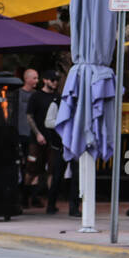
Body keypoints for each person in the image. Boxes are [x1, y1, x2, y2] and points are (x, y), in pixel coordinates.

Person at [32, 70, 78, 215]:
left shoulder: (77, 103)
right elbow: (49, 122)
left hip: (73, 144)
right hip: (61, 144)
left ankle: (73, 207)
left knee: (75, 176)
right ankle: (52, 205)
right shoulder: (58, 101)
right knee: (58, 175)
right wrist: (65, 125)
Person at [14, 69, 47, 207]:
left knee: (33, 165)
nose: (36, 81)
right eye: (34, 78)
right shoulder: (16, 95)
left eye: (37, 77)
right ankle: (24, 195)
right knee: (22, 166)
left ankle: (33, 195)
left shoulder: (37, 95)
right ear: (26, 79)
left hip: (33, 136)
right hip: (19, 135)